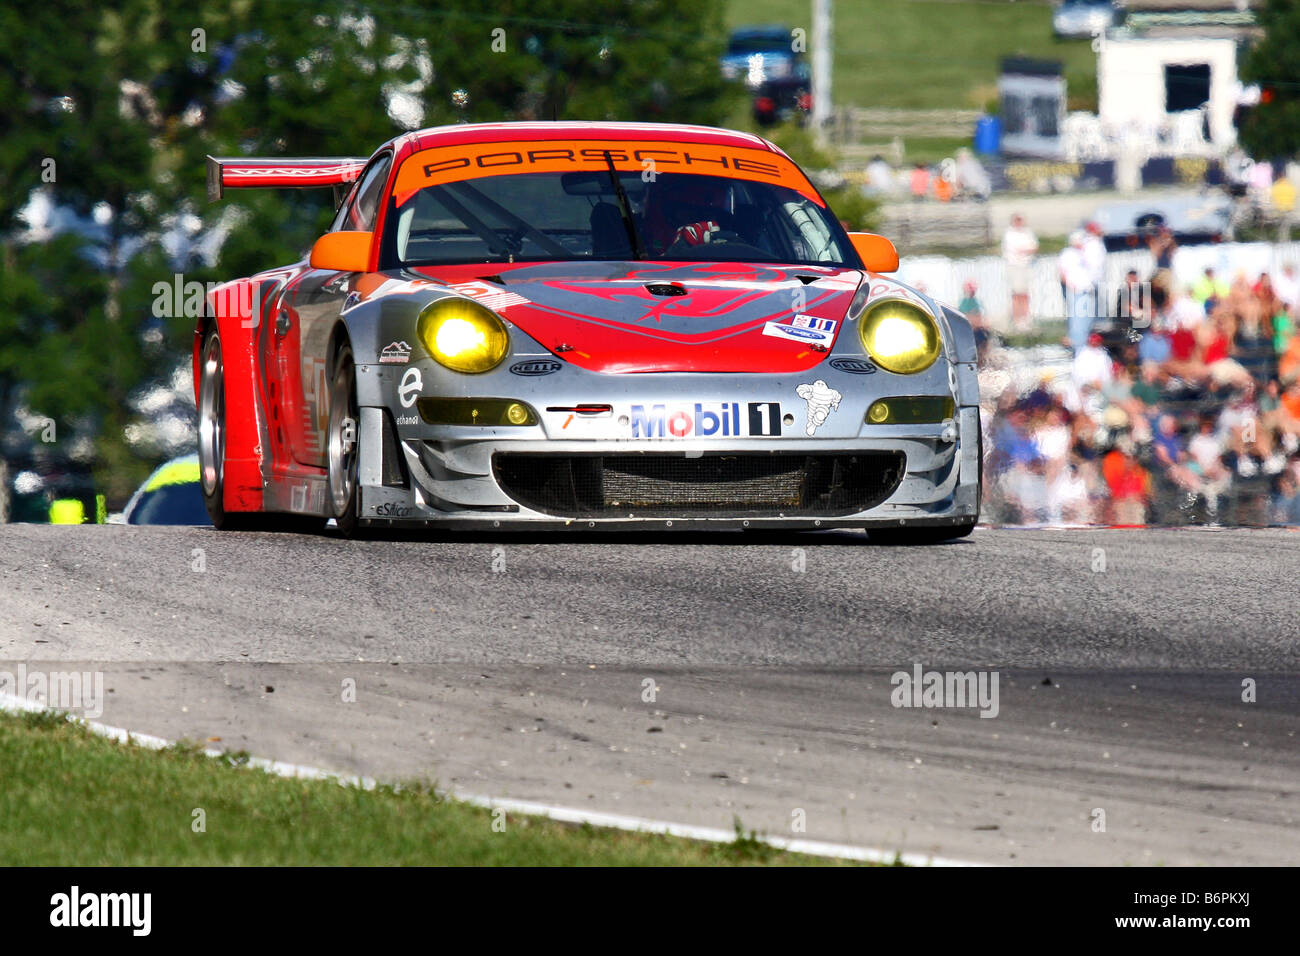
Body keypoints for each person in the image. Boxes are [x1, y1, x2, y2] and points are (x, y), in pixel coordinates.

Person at [1002, 213, 1038, 331]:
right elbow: (1015, 250)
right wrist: (1024, 251)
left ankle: (1025, 320)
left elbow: (1033, 247)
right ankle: (1017, 320)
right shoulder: (1009, 234)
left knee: (1025, 294)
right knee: (1016, 294)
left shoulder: (1027, 233)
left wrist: (1024, 251)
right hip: (1015, 267)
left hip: (1026, 266)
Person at [1059, 231, 1095, 350]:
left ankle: (1084, 343)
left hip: (1087, 290)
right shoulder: (1068, 254)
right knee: (1077, 320)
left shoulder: (1084, 254)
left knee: (1087, 320)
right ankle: (1077, 345)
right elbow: (1062, 272)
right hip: (1076, 292)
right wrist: (1070, 286)